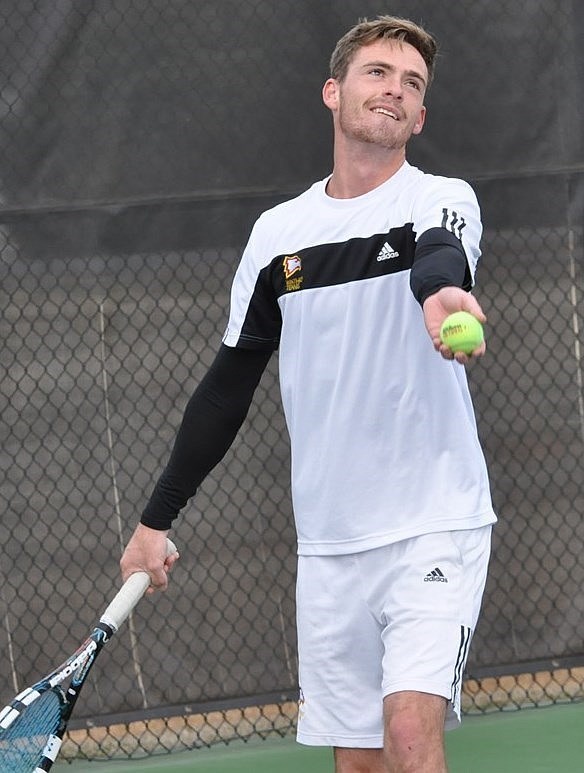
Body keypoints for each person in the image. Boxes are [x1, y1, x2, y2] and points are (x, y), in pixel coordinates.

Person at [121, 15, 497, 773]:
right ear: (335, 91)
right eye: (378, 73)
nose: (394, 89)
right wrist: (154, 519)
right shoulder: (276, 235)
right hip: (329, 544)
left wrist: (441, 295)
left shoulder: (442, 197)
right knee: (357, 763)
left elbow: (440, 254)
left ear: (420, 118)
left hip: (433, 523)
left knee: (412, 736)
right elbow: (228, 386)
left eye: (411, 84)